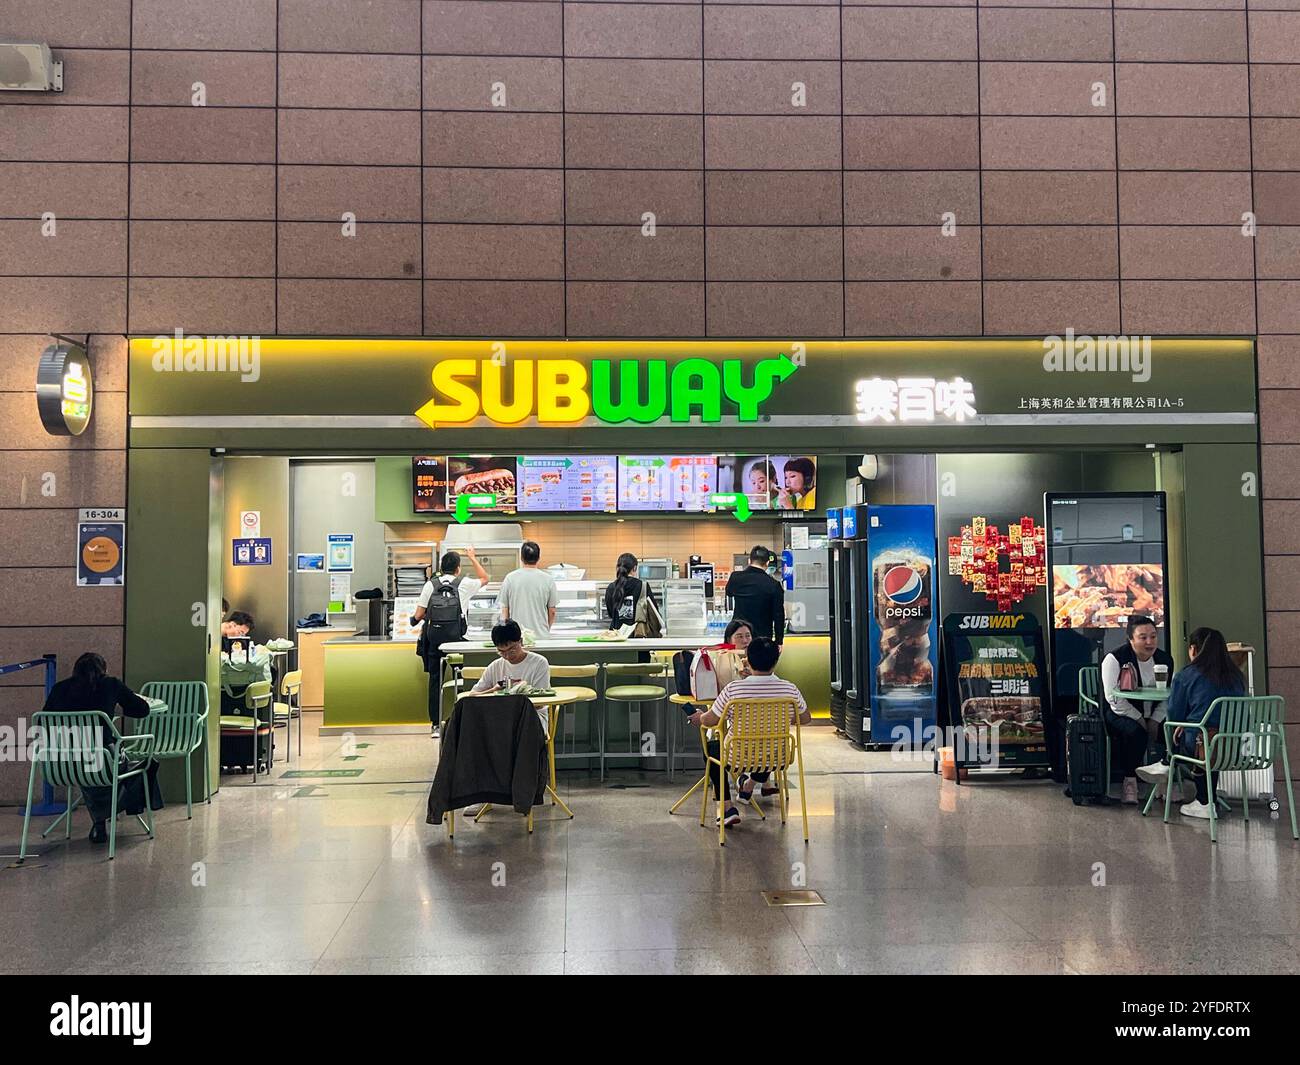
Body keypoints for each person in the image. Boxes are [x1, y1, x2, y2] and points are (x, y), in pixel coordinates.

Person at [688, 637, 810, 828]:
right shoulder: (789, 689)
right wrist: (782, 719)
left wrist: (699, 717)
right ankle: (748, 785)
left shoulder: (734, 689)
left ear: (748, 661)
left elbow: (710, 721)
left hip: (737, 757)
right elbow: (805, 718)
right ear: (776, 662)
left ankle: (727, 808)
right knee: (767, 745)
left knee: (712, 748)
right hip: (778, 757)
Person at [42, 653, 161, 845]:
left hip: (63, 764)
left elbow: (41, 722)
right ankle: (110, 812)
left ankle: (99, 821)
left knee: (90, 773)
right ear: (103, 670)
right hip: (102, 761)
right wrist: (115, 705)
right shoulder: (110, 684)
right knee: (144, 764)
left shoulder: (59, 688)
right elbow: (142, 710)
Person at [1136, 627, 1246, 819]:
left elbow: (1174, 715)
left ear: (1193, 649)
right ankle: (1170, 767)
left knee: (1179, 733)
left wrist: (1184, 723)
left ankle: (1172, 767)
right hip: (1237, 747)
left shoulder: (1188, 675)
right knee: (1207, 737)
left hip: (1202, 746)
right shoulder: (1236, 676)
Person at [413, 547, 489, 738]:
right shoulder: (464, 583)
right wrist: (472, 557)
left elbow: (419, 614)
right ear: (457, 568)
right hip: (458, 641)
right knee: (463, 679)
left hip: (434, 641)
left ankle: (436, 726)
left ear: (441, 567)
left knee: (435, 681)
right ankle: (465, 721)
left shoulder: (431, 585)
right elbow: (485, 578)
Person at [1101, 615, 1175, 804]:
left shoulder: (1164, 659)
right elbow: (1113, 698)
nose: (1149, 642)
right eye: (1143, 637)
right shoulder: (1114, 659)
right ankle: (1129, 781)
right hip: (1120, 712)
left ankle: (1164, 781)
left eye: (1153, 636)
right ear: (1131, 639)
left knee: (1173, 731)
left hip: (1155, 712)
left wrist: (1156, 719)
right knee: (1136, 733)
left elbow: (1170, 695)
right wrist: (1141, 720)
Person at [466, 621, 552, 738]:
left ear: (521, 642)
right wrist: (494, 689)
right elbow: (472, 696)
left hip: (532, 719)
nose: (507, 656)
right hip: (501, 719)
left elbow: (540, 704)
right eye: (501, 652)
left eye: (511, 650)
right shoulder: (495, 666)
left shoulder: (539, 663)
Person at [725, 546, 785, 645]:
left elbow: (729, 592)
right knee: (760, 660)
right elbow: (779, 615)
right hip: (762, 638)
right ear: (767, 563)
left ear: (749, 561)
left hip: (738, 634)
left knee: (739, 660)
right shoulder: (774, 585)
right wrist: (779, 641)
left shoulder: (735, 577)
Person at [497, 540, 558, 638]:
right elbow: (552, 611)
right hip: (541, 636)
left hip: (517, 638)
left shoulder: (510, 578)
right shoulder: (548, 579)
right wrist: (546, 629)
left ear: (521, 558)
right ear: (538, 558)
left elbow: (505, 611)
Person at [220, 625, 271, 715]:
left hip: (229, 687)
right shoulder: (217, 637)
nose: (241, 635)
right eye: (241, 632)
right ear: (233, 625)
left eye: (243, 634)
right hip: (250, 695)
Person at [604, 552, 657, 629]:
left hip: (616, 634)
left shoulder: (611, 587)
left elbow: (610, 613)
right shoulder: (642, 585)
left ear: (617, 568)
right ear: (634, 568)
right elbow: (653, 611)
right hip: (638, 633)